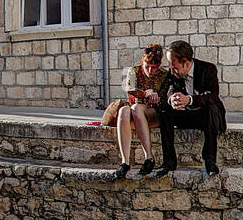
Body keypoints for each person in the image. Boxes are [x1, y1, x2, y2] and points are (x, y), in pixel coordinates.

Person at [149, 39, 226, 178]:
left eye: (174, 65)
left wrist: (190, 99)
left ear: (185, 62)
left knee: (212, 108)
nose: (171, 69)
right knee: (164, 111)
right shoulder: (172, 73)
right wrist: (171, 99)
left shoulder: (208, 69)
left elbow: (213, 96)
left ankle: (210, 161)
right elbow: (166, 91)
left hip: (204, 116)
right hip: (184, 115)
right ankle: (169, 162)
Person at [90, 44, 167, 179]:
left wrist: (156, 96)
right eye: (147, 65)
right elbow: (130, 90)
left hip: (153, 113)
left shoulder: (164, 75)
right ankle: (125, 162)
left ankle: (149, 157)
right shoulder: (134, 71)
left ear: (159, 64)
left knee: (136, 108)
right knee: (124, 110)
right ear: (142, 61)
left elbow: (166, 98)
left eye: (154, 67)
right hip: (135, 110)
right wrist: (144, 95)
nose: (150, 70)